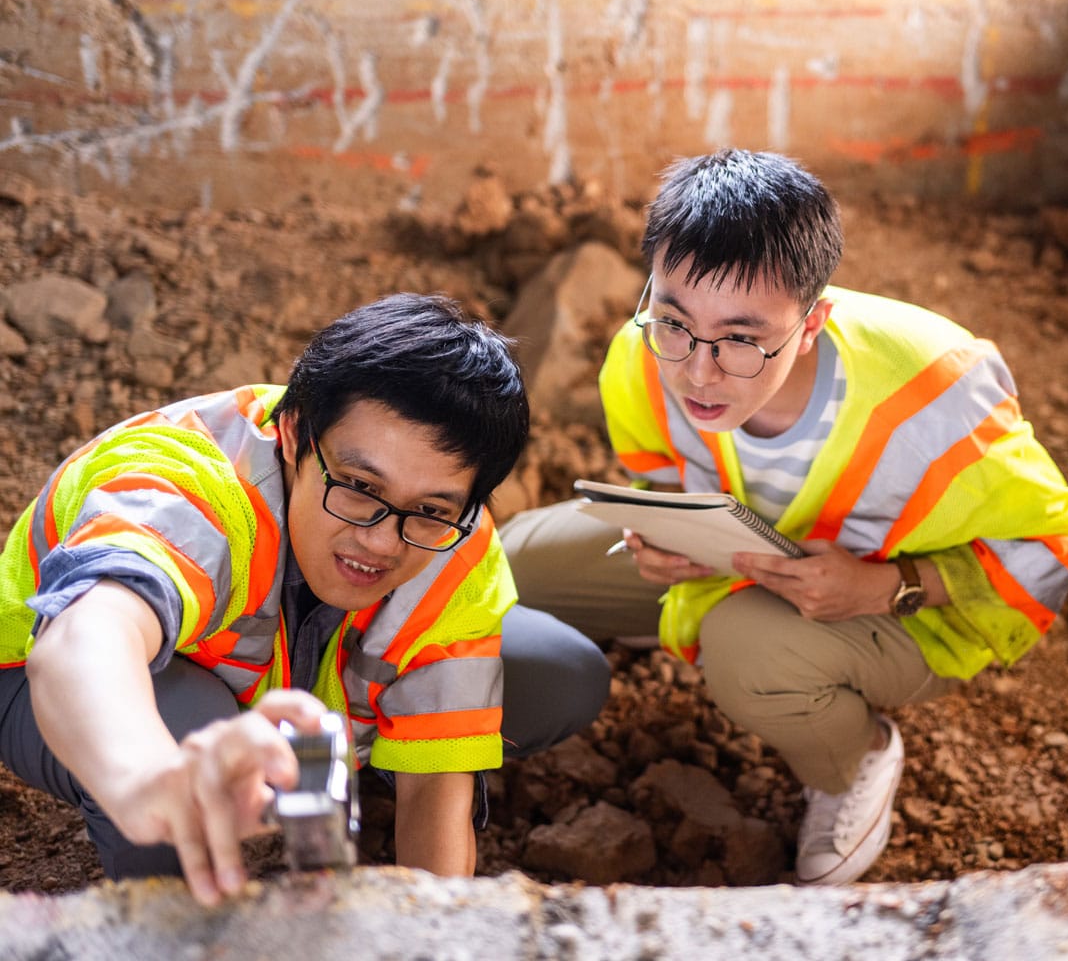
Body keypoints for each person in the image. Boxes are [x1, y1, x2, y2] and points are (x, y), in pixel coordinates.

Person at [500, 148, 1068, 885]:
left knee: (748, 657)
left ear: (813, 322)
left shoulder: (937, 396)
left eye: (743, 340)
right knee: (518, 558)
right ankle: (685, 609)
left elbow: (1052, 548)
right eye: (675, 322)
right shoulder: (646, 351)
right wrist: (663, 539)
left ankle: (853, 760)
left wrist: (889, 587)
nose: (698, 371)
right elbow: (662, 473)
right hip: (738, 556)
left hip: (901, 605)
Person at [0, 293, 610, 905]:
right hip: (45, 685)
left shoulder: (454, 538)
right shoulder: (192, 488)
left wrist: (438, 931)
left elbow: (437, 793)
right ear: (294, 435)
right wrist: (147, 776)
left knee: (556, 671)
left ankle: (332, 766)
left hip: (293, 696)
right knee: (185, 723)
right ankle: (183, 910)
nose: (380, 539)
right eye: (358, 486)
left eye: (428, 510)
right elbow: (84, 640)